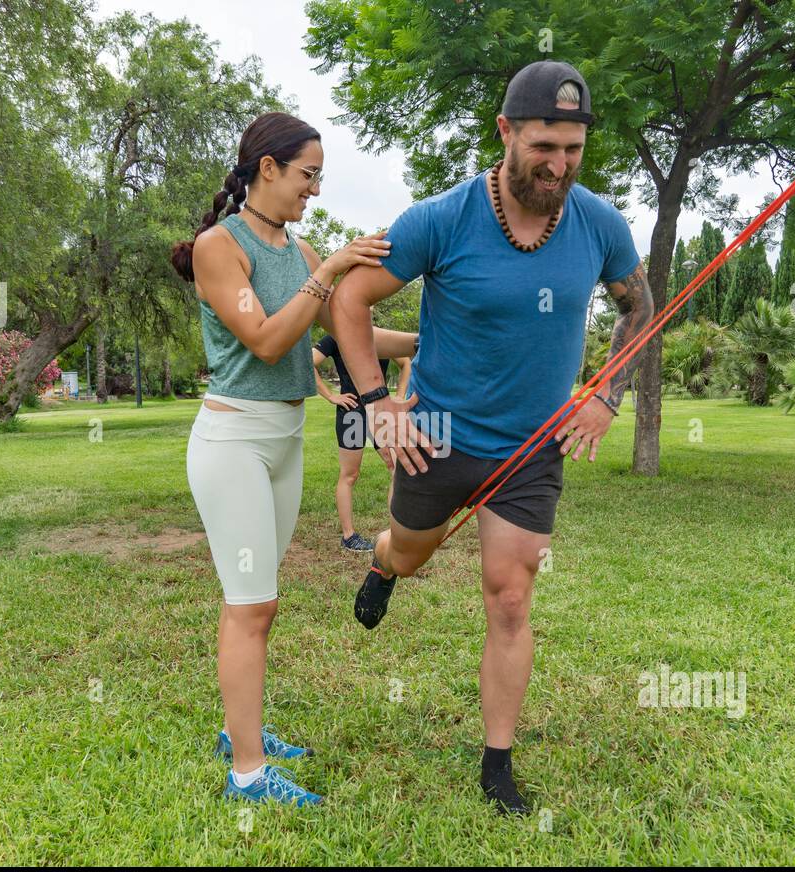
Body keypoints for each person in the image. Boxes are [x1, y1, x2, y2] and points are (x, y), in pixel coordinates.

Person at [329, 62, 657, 815]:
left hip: (530, 450)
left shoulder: (599, 223)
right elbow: (348, 298)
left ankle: (497, 763)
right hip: (436, 437)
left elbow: (639, 307)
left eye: (573, 149)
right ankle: (382, 562)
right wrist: (379, 405)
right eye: (545, 146)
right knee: (413, 554)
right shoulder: (440, 219)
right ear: (505, 132)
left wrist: (606, 392)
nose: (559, 165)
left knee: (510, 597)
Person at [171, 111, 416, 808]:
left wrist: (426, 344)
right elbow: (270, 341)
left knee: (256, 605)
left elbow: (349, 325)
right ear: (267, 168)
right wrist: (333, 265)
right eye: (308, 175)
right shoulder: (221, 246)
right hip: (233, 444)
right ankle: (247, 774)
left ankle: (237, 731)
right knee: (253, 605)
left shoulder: (296, 248)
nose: (314, 189)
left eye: (321, 178)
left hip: (281, 442)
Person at [312, 333, 411, 551]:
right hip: (352, 413)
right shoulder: (335, 335)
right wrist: (331, 396)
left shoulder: (380, 335)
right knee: (350, 474)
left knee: (397, 468)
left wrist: (400, 396)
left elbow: (406, 363)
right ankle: (349, 536)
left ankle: (397, 534)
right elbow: (309, 363)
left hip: (380, 411)